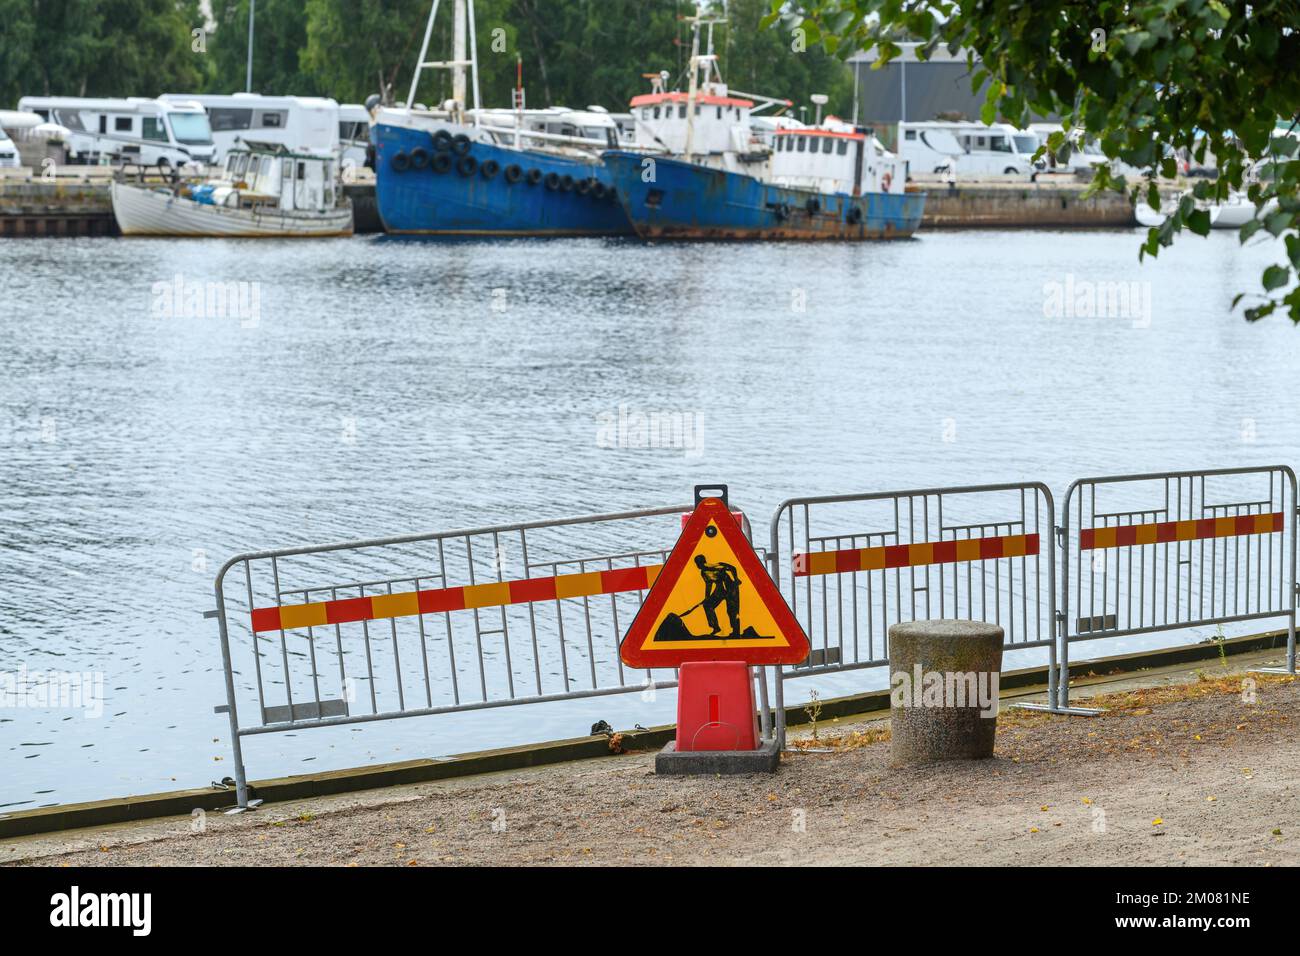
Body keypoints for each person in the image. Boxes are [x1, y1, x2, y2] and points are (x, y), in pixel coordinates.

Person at [694, 554, 740, 637]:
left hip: (730, 588)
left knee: (731, 611)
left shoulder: (715, 566)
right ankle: (715, 627)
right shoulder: (703, 573)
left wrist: (736, 579)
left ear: (701, 562)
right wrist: (706, 597)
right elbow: (709, 584)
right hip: (720, 588)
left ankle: (736, 631)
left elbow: (733, 568)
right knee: (707, 605)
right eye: (697, 563)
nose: (697, 565)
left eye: (698, 563)